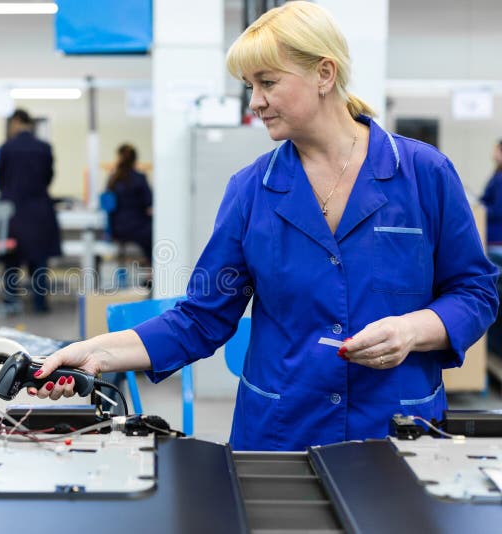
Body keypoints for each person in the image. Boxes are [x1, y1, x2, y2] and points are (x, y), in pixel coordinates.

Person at [26, 1, 499, 451]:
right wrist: (95, 354)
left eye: (267, 82)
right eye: (250, 85)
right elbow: (201, 316)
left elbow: (474, 291)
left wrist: (415, 329)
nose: (255, 101)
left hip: (396, 430)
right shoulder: (252, 190)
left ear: (324, 73)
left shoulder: (423, 173)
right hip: (281, 432)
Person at [0, 109, 61, 313]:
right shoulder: (44, 148)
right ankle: (40, 304)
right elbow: (49, 178)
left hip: (14, 212)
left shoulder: (6, 148)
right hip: (39, 211)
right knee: (39, 261)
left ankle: (10, 303)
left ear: (15, 122)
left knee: (11, 261)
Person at [105, 143, 153, 260]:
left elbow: (107, 205)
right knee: (157, 239)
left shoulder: (113, 179)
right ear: (135, 159)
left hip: (117, 229)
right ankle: (152, 270)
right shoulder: (139, 178)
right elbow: (149, 202)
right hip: (138, 228)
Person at [480, 140, 502, 249]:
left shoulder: (500, 179)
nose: (493, 153)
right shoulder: (497, 174)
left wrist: (480, 209)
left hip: (496, 237)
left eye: (496, 150)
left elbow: (498, 210)